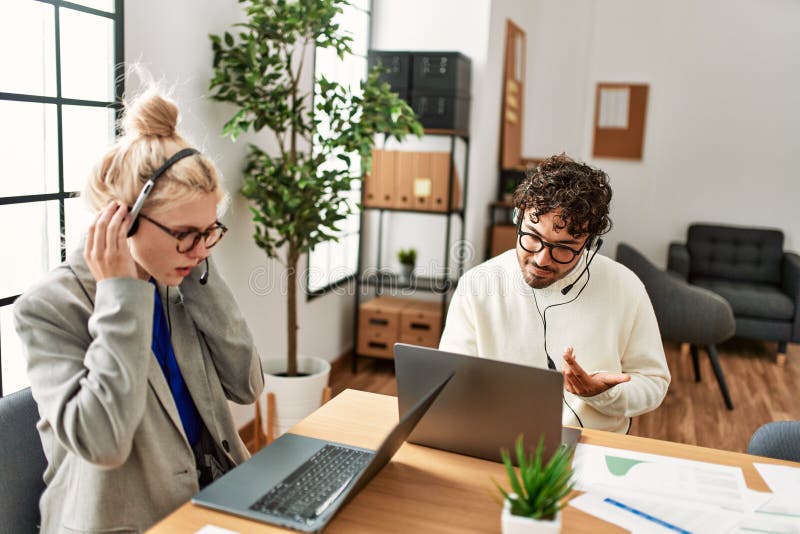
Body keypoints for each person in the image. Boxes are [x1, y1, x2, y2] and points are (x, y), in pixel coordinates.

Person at [13, 88, 264, 533]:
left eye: (209, 232)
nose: (199, 248)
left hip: (211, 508)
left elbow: (246, 386)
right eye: (186, 233)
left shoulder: (177, 280)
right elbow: (102, 442)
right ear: (123, 219)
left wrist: (200, 275)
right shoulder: (50, 307)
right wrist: (120, 295)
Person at [439, 154, 670, 433]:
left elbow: (653, 382)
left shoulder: (626, 288)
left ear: (589, 243)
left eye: (563, 248)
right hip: (496, 438)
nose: (542, 259)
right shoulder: (476, 284)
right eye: (533, 237)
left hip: (592, 445)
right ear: (518, 217)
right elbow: (449, 379)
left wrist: (601, 394)